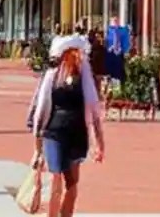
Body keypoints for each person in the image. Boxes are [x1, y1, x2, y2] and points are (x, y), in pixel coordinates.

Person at [31, 34, 105, 217]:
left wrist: (100, 142)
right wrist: (100, 143)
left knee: (63, 181)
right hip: (65, 133)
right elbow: (42, 111)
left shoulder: (68, 78)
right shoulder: (68, 77)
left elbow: (41, 112)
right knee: (64, 180)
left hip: (65, 133)